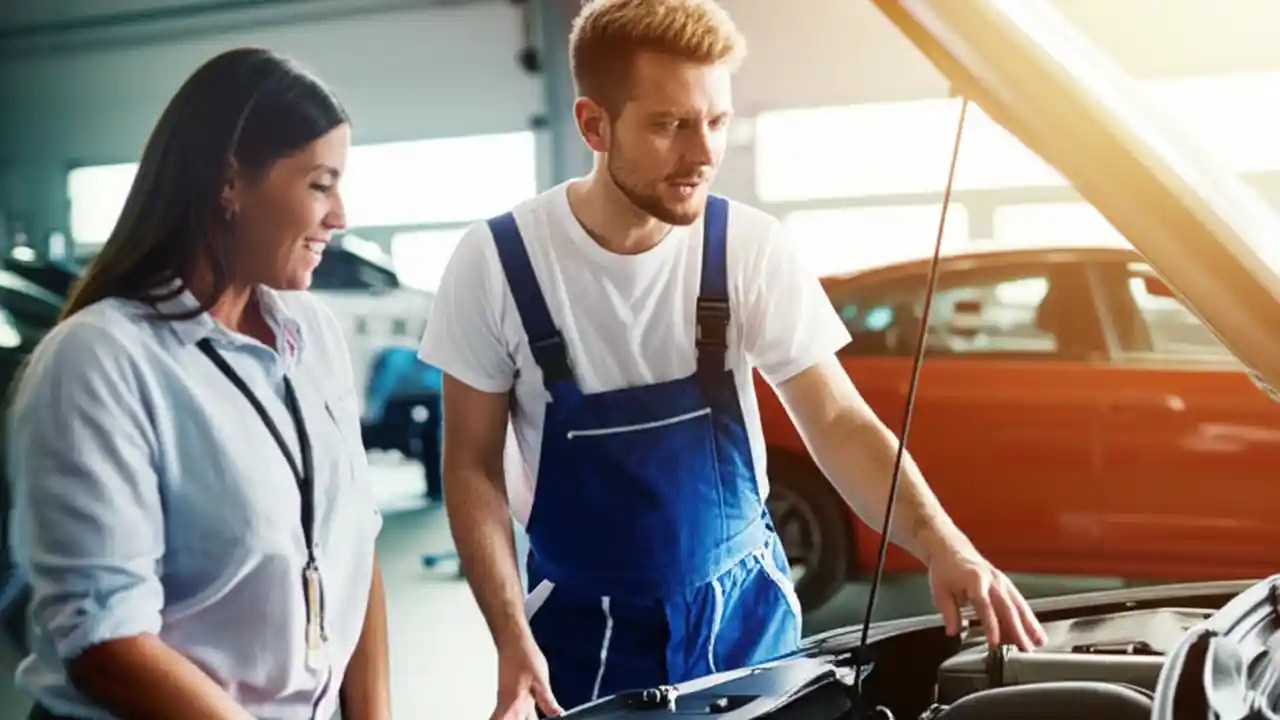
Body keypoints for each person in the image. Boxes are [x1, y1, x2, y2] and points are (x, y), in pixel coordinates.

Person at [419, 0, 1048, 716]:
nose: (704, 153)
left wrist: (943, 543)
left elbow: (837, 419)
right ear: (593, 124)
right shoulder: (497, 264)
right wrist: (508, 634)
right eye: (669, 125)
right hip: (576, 636)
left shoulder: (746, 247)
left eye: (716, 121)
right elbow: (470, 463)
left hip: (748, 622)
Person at [6, 48, 389, 720]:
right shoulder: (100, 361)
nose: (341, 216)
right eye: (320, 184)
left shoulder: (312, 335)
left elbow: (352, 548)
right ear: (229, 183)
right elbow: (106, 640)